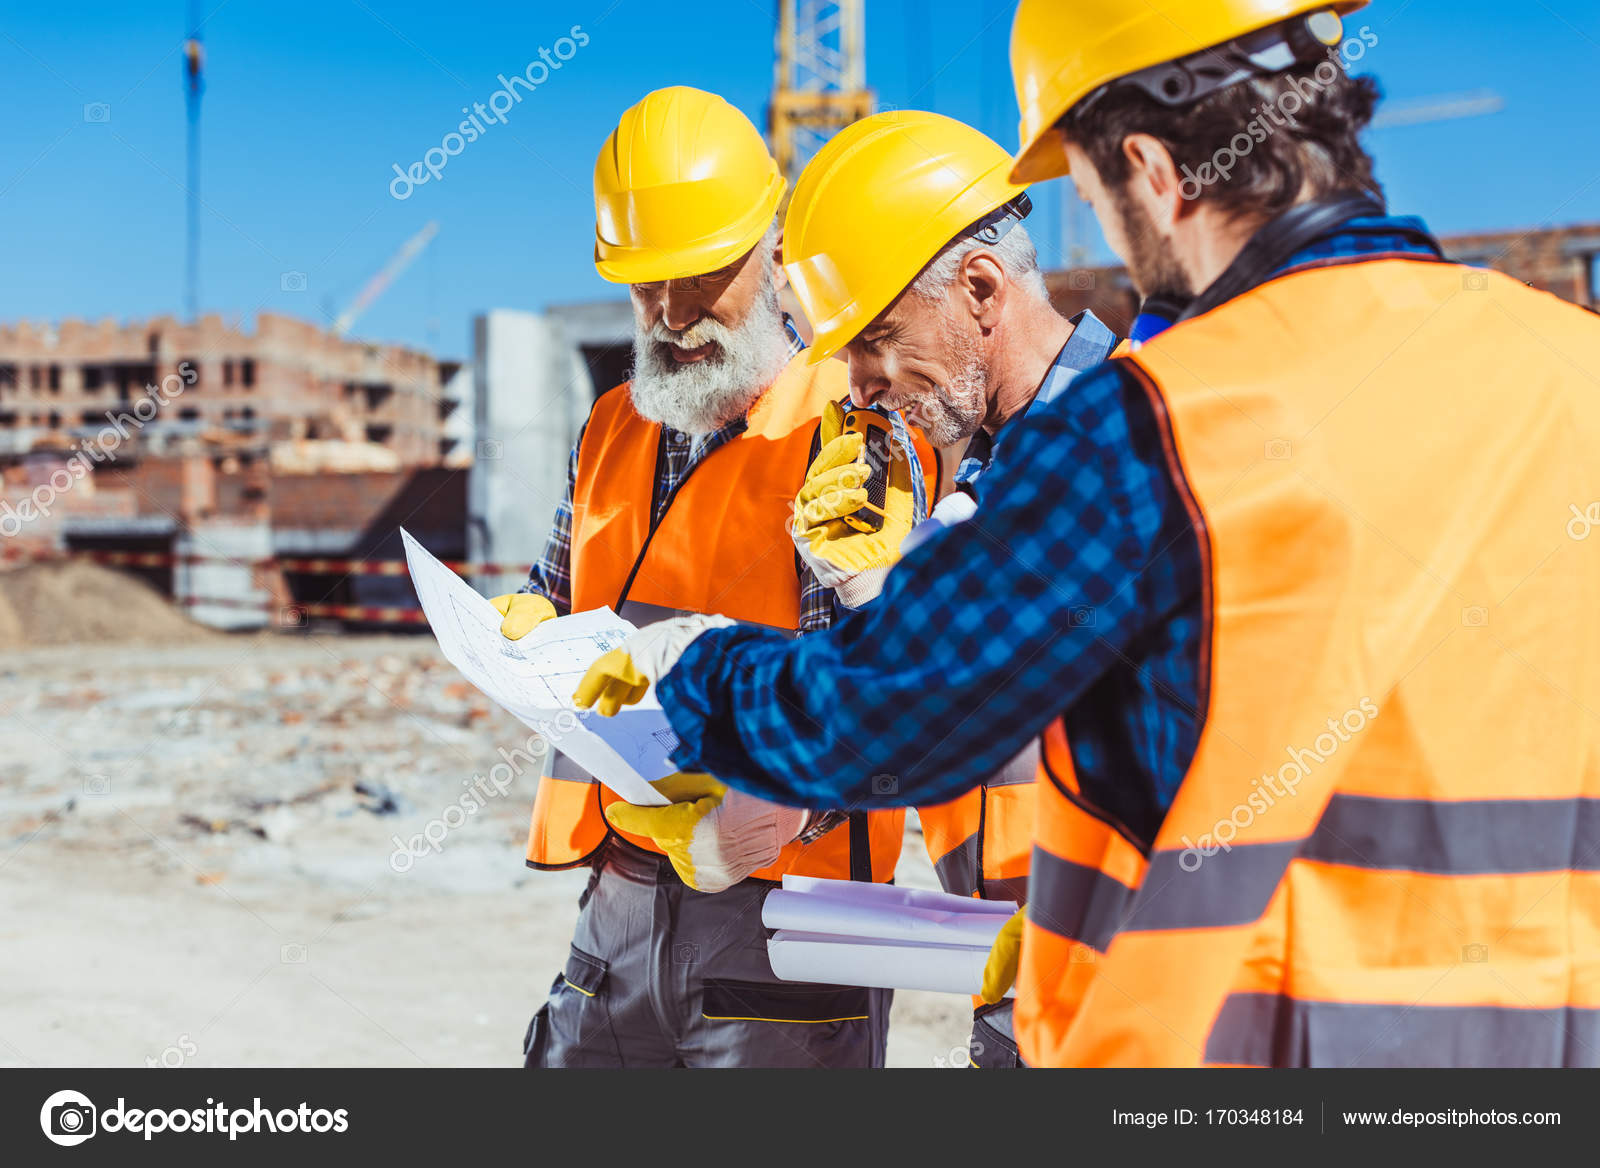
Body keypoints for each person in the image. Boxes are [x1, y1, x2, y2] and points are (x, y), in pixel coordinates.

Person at [574, 2, 1600, 1068]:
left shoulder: (1156, 423)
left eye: (1095, 192)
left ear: (1151, 171)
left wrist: (688, 669)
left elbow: (885, 714)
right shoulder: (1573, 366)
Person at [499, 86, 905, 1068]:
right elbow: (558, 587)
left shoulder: (847, 426)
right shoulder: (610, 424)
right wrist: (524, 630)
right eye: (646, 288)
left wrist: (764, 817)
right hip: (621, 898)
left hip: (785, 914)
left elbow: (887, 682)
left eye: (700, 279)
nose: (674, 317)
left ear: (769, 248)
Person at [780, 109, 1118, 1066]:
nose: (860, 384)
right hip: (1012, 997)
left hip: (1130, 1000)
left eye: (878, 338)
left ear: (980, 289)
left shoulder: (1134, 441)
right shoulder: (966, 479)